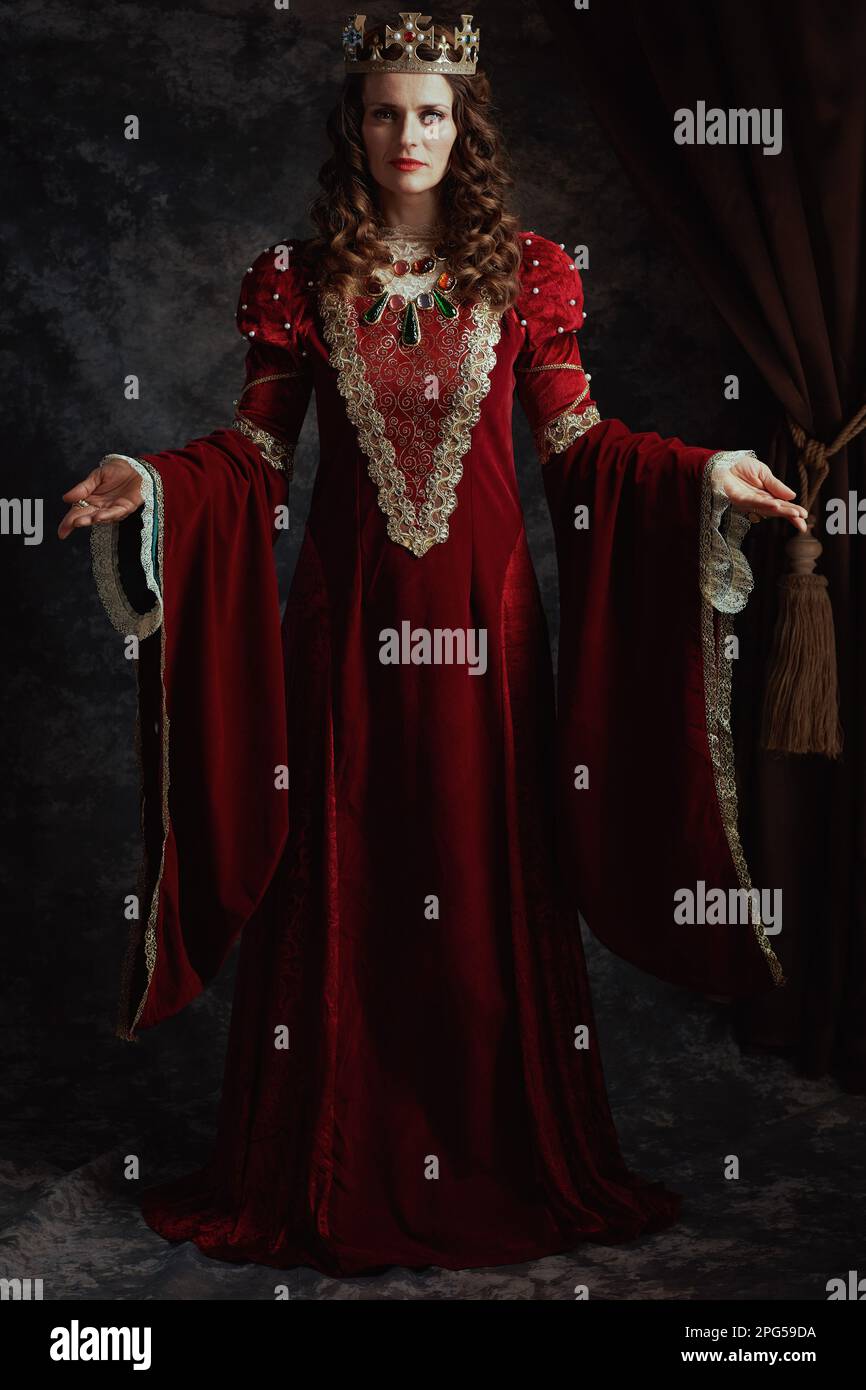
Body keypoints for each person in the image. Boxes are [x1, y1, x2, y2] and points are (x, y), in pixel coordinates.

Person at [58, 12, 806, 1277]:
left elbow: (578, 443)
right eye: (385, 111)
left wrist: (702, 469)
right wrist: (153, 478)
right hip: (343, 645)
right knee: (348, 866)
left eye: (433, 112)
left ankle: (499, 1157)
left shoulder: (525, 274)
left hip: (487, 647)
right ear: (352, 127)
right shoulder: (298, 279)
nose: (409, 134)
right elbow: (254, 455)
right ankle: (328, 1155)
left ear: (466, 129)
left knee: (477, 866)